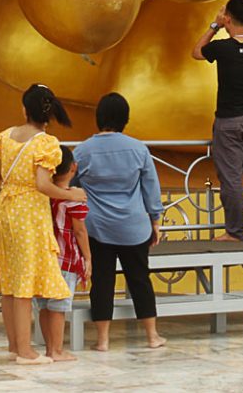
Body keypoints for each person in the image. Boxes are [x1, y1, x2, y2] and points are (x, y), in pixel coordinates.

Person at [0, 84, 87, 365]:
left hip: (3, 211)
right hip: (28, 214)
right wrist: (71, 193)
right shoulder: (46, 143)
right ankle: (26, 351)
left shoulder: (5, 135)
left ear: (24, 109)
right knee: (24, 282)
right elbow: (44, 185)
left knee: (9, 279)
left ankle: (14, 344)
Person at [73, 92, 166, 352]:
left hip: (97, 227)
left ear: (98, 118)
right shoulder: (138, 149)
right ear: (126, 119)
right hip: (134, 226)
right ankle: (152, 336)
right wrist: (155, 221)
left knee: (102, 282)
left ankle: (102, 340)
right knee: (140, 279)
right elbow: (151, 187)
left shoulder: (82, 151)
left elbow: (70, 186)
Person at [191, 0, 243, 242]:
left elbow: (196, 52)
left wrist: (214, 25)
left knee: (232, 178)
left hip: (229, 121)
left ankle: (234, 231)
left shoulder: (222, 48)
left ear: (227, 18)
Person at [33, 145, 91, 362]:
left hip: (43, 258)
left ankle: (49, 347)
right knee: (58, 305)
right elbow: (80, 230)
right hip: (65, 258)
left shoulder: (41, 195)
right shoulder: (73, 197)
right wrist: (88, 257)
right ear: (73, 168)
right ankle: (56, 350)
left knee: (44, 305)